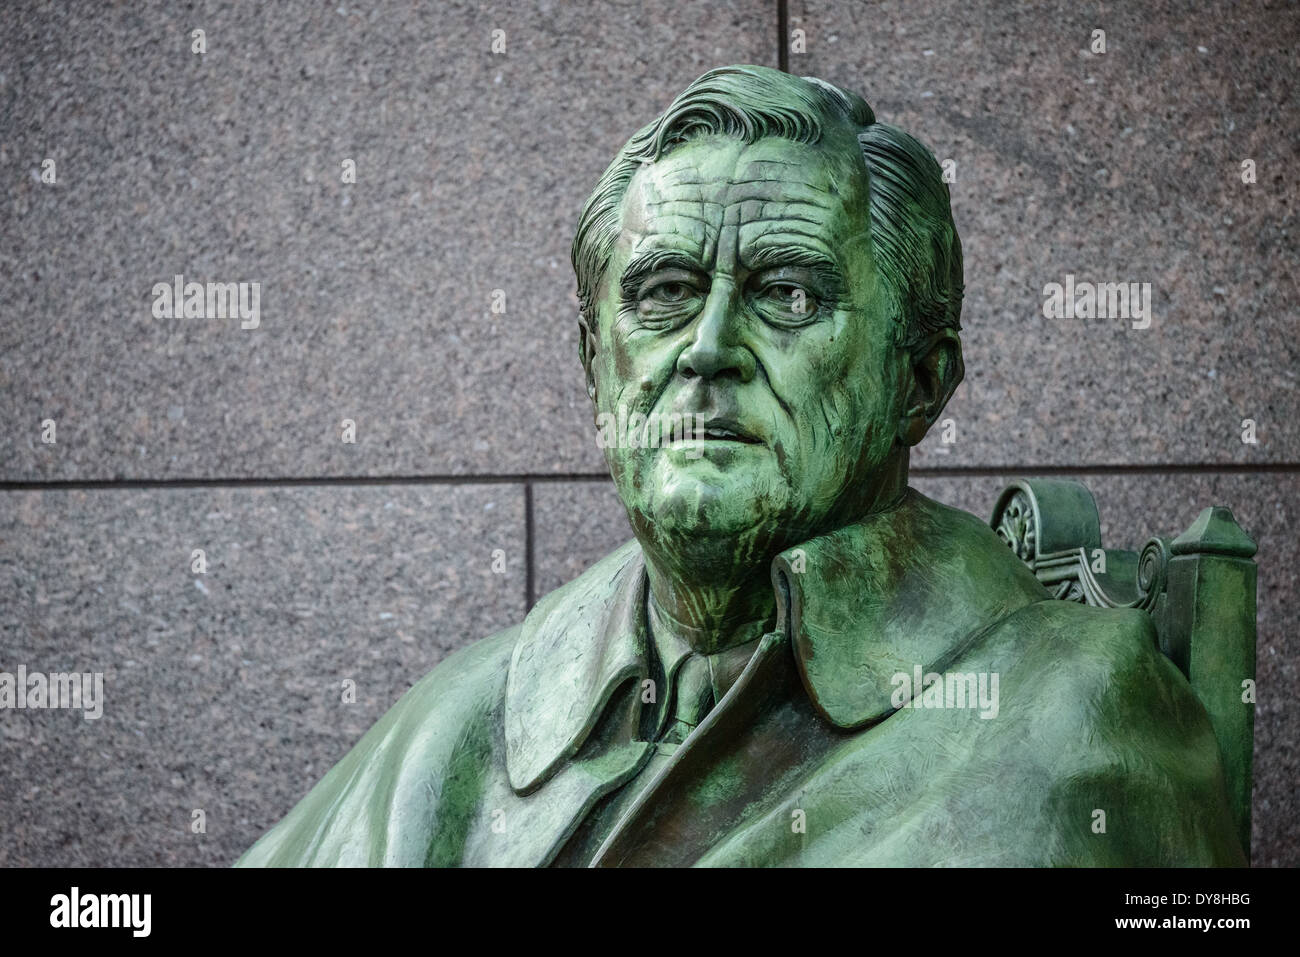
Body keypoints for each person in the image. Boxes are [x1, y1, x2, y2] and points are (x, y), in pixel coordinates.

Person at [238, 65, 1244, 867]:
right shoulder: (460, 720)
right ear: (597, 369)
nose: (709, 346)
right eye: (664, 290)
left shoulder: (1067, 715)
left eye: (789, 295)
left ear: (919, 382)